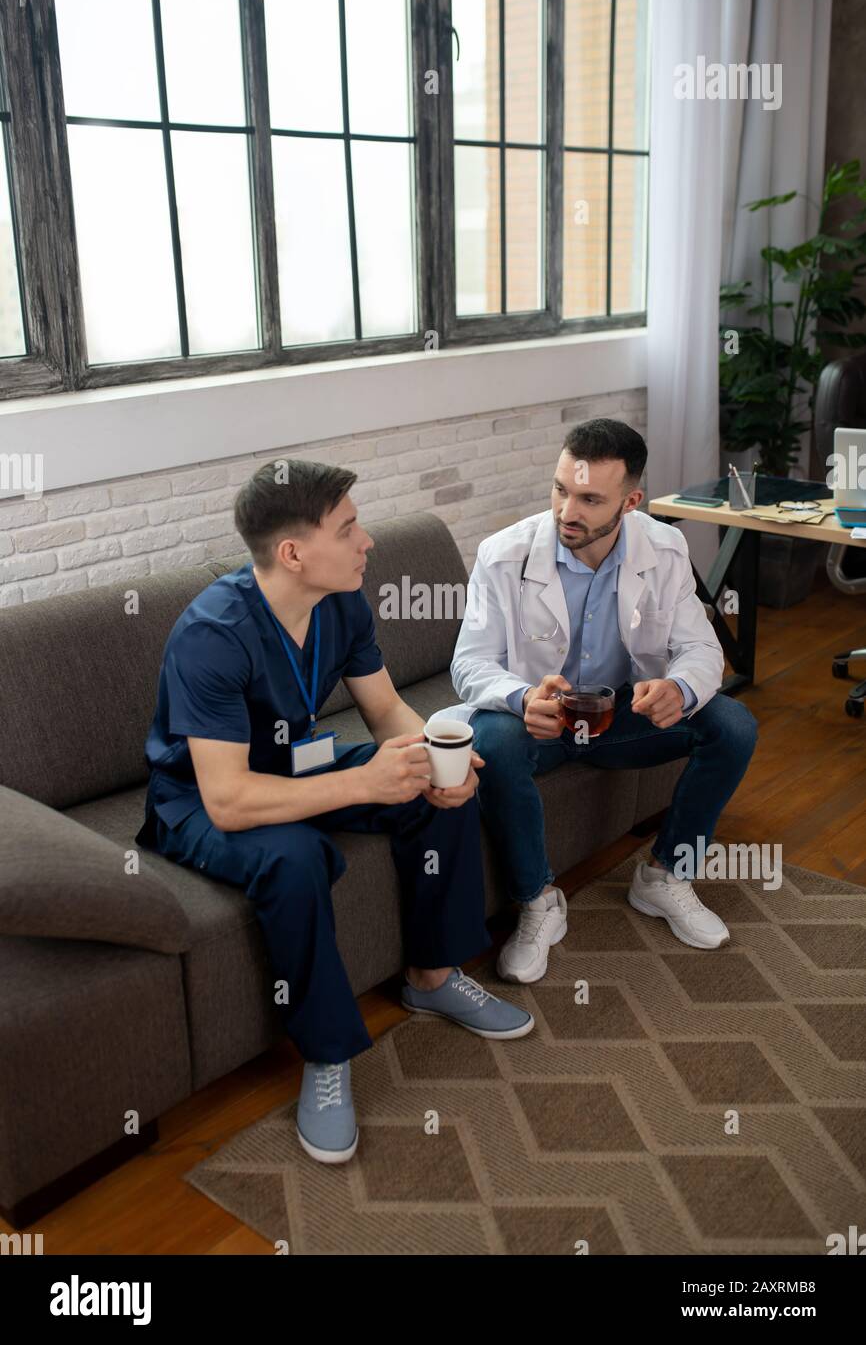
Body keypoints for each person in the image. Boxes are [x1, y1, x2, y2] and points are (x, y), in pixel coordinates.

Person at [135, 458, 533, 1166]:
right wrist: (362, 785)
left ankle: (434, 979)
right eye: (348, 527)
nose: (367, 541)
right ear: (293, 553)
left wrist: (434, 761)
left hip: (298, 764)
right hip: (198, 798)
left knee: (430, 783)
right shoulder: (213, 635)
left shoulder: (341, 600)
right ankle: (325, 1055)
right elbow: (228, 798)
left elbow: (382, 710)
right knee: (293, 859)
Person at [433, 418, 758, 983]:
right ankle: (538, 903)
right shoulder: (501, 555)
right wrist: (519, 695)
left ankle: (664, 877)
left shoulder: (666, 546)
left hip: (622, 720)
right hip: (542, 727)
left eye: (588, 498)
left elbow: (700, 648)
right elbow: (469, 663)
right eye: (560, 489)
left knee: (734, 725)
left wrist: (678, 688)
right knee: (493, 737)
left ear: (629, 502)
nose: (566, 511)